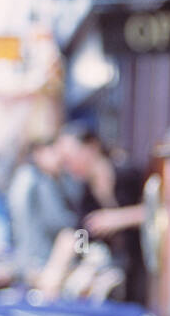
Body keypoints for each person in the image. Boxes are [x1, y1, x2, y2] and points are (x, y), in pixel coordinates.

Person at [55, 123, 146, 303]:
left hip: (146, 272)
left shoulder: (129, 174)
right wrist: (75, 258)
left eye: (70, 158)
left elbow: (161, 210)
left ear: (91, 147)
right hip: (119, 278)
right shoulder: (85, 192)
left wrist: (119, 218)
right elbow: (81, 232)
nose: (68, 166)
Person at [8, 137, 77, 279]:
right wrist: (79, 224)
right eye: (54, 153)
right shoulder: (41, 181)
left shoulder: (26, 176)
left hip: (28, 258)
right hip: (42, 259)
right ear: (38, 153)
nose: (60, 159)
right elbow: (56, 222)